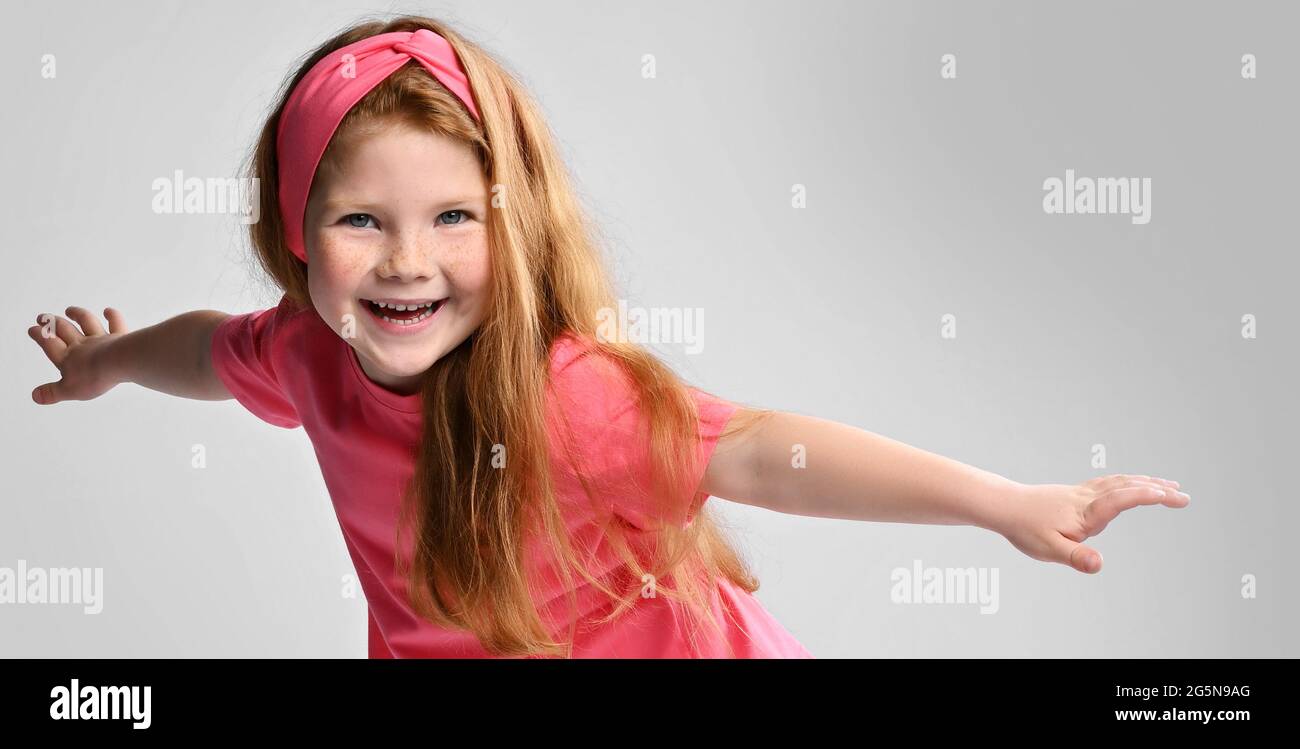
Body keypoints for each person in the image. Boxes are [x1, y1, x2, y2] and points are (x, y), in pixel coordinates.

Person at [26, 16, 1188, 658]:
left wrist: (1005, 502)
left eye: (450, 220)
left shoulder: (566, 398)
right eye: (359, 221)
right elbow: (208, 351)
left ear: (510, 224)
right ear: (296, 231)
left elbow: (761, 451)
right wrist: (108, 364)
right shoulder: (306, 351)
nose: (406, 260)